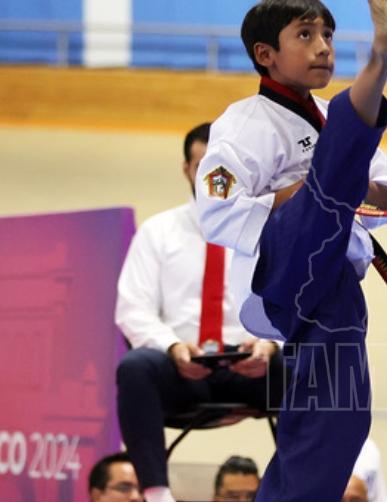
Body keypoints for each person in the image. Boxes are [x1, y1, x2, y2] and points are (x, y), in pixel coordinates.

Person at [195, 0, 387, 499]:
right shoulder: (244, 121)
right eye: (306, 35)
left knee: (342, 421)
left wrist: (345, 185)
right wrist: (315, 188)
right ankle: (381, 61)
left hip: (334, 284)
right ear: (265, 53)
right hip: (287, 266)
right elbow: (216, 210)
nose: (323, 48)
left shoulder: (326, 122)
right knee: (333, 169)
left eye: (329, 36)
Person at [115, 123, 286, 502]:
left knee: (310, 365)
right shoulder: (157, 232)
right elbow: (133, 308)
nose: (214, 177)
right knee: (135, 366)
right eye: (203, 166)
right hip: (182, 369)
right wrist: (172, 346)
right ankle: (157, 493)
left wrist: (267, 344)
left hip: (250, 366)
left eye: (223, 167)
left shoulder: (265, 232)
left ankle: (296, 488)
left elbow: (288, 306)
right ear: (187, 170)